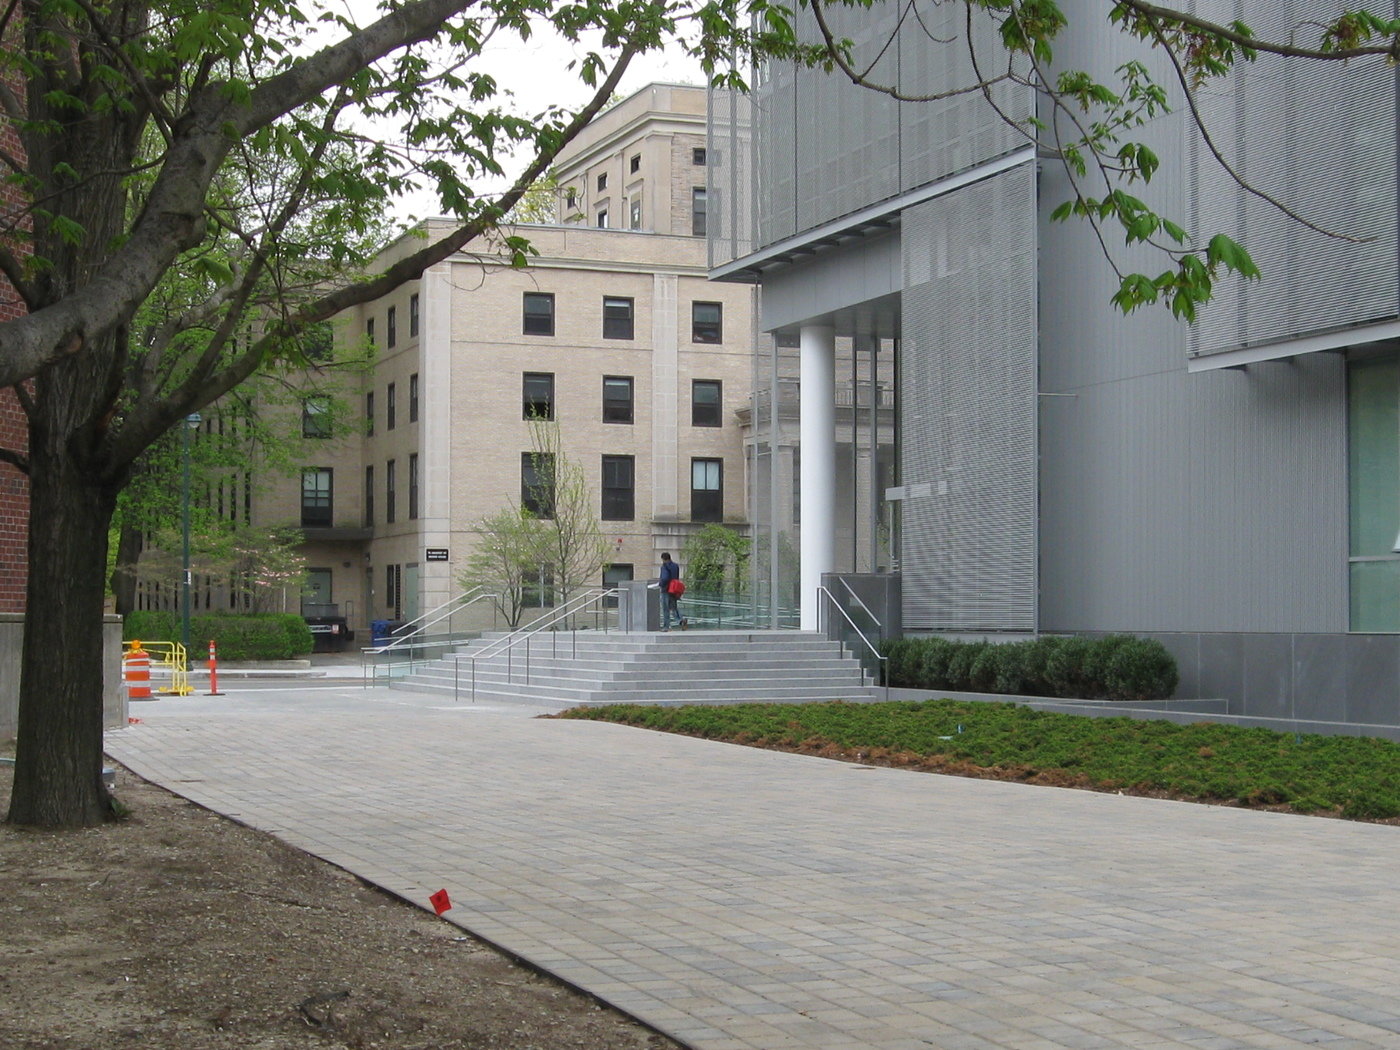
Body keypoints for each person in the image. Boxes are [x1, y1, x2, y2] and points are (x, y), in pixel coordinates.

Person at [657, 552, 687, 631]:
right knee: (674, 607)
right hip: (674, 589)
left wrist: (660, 584)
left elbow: (665, 578)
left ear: (663, 559)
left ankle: (667, 626)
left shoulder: (664, 566)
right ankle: (681, 620)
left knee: (665, 608)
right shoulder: (675, 566)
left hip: (666, 590)